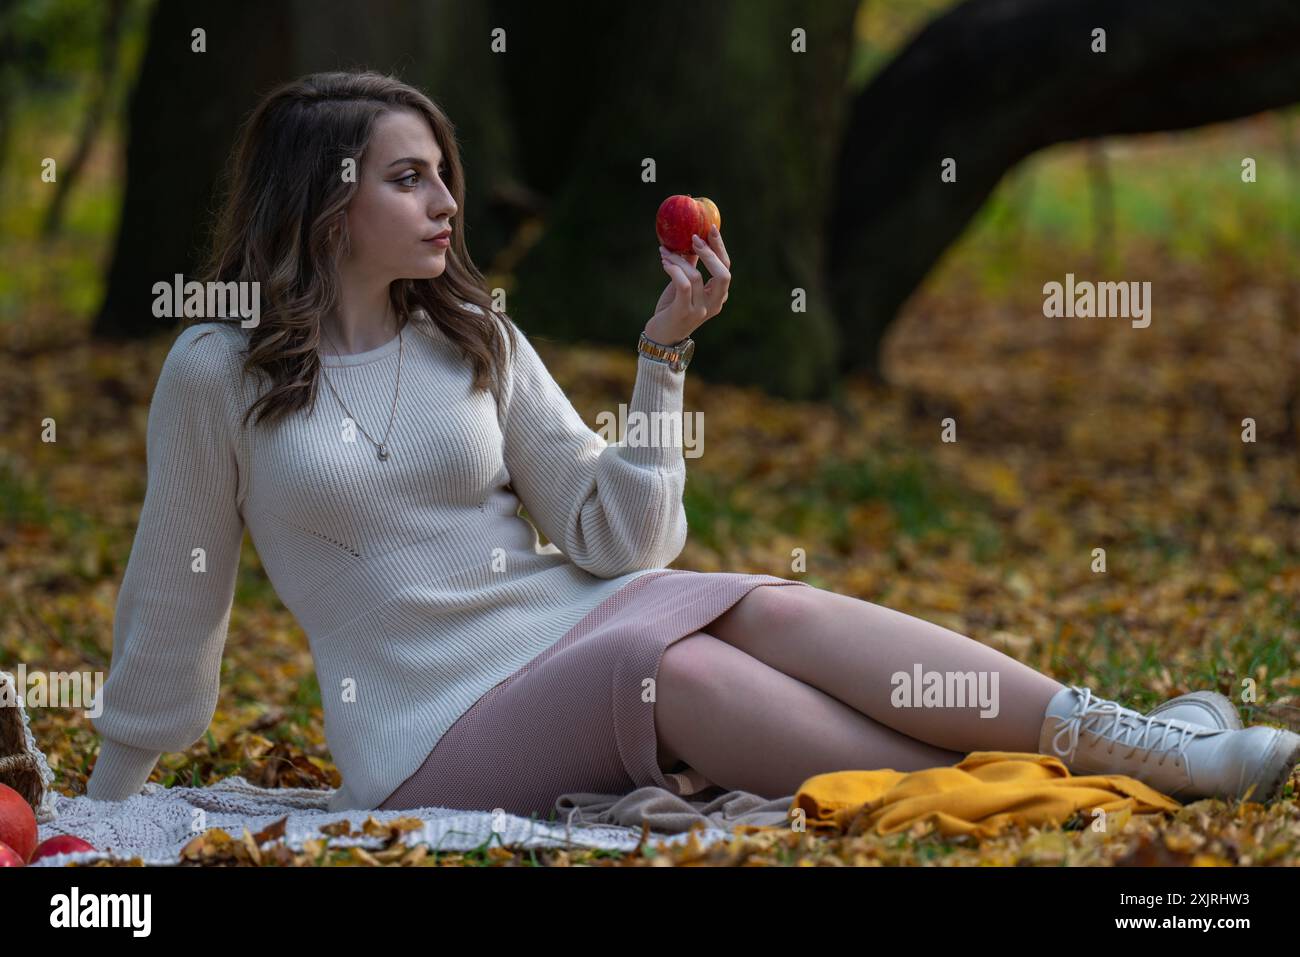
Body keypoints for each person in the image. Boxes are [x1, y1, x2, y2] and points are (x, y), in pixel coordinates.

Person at [85, 70, 1300, 817]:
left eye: (445, 173)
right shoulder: (217, 373)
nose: (448, 203)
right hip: (426, 739)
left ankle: (1127, 744)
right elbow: (171, 597)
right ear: (321, 200)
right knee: (677, 670)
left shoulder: (474, 338)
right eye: (410, 180)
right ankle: (1068, 778)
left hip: (575, 626)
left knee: (764, 607)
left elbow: (624, 540)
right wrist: (112, 799)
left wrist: (664, 351)